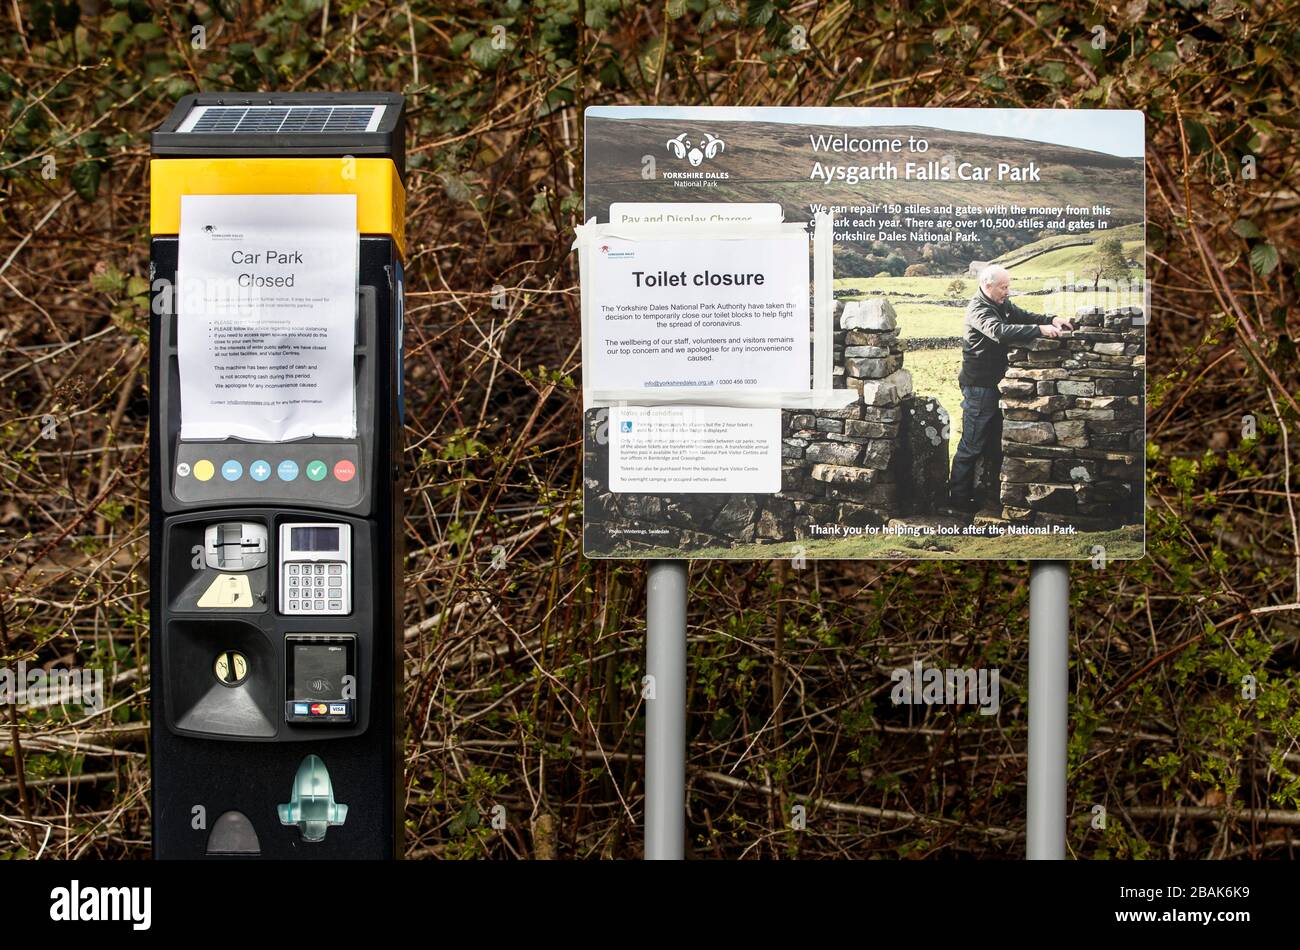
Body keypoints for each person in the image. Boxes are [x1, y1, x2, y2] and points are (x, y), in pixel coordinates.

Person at [947, 264, 1074, 513]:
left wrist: (1051, 320)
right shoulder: (978, 308)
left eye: (1008, 286)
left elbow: (1022, 315)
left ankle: (988, 494)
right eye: (1004, 287)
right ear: (987, 285)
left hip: (994, 385)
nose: (1008, 291)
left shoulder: (1000, 303)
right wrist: (1039, 330)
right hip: (979, 386)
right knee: (972, 444)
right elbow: (998, 331)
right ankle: (957, 500)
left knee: (995, 442)